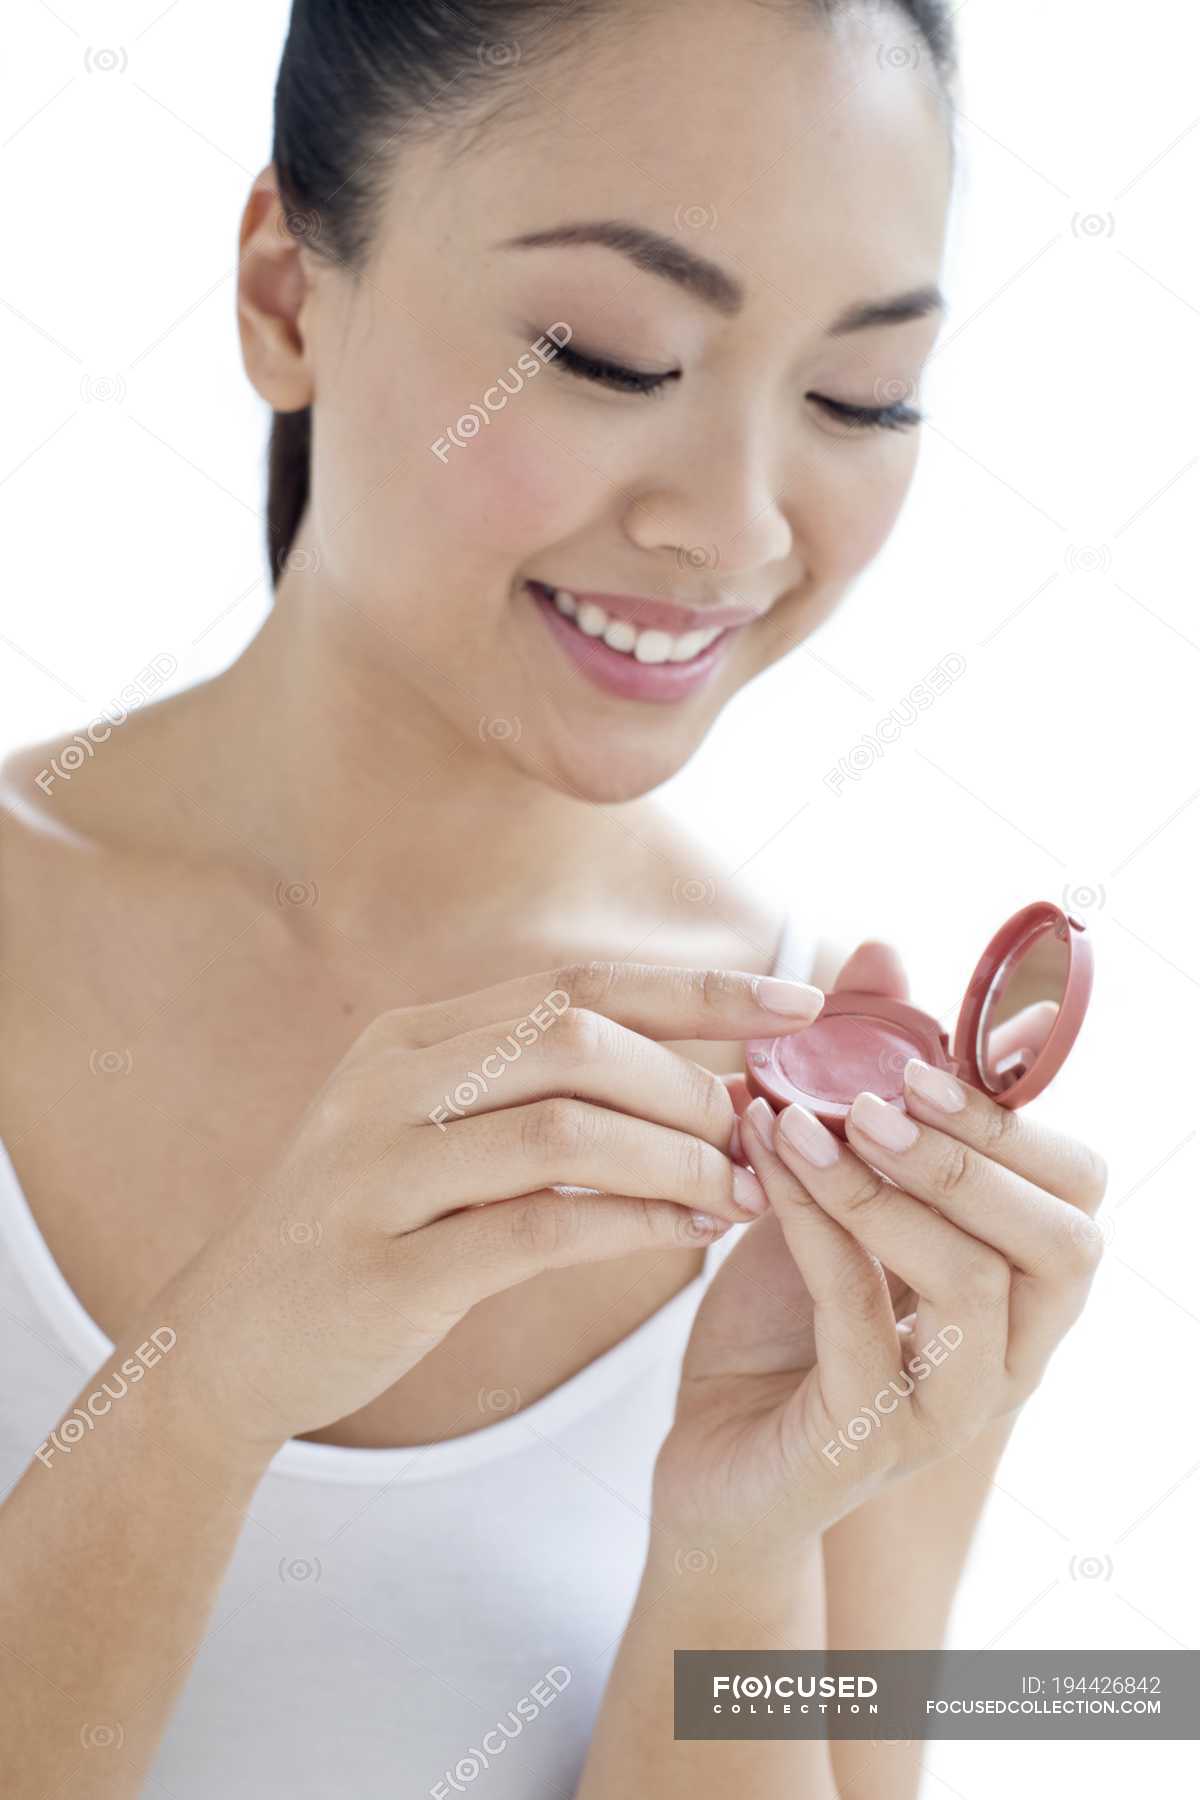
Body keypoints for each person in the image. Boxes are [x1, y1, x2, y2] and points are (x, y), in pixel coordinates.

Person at [0, 2, 1108, 1796]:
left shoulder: (867, 1193)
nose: (735, 525)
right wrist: (198, 1398)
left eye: (859, 394)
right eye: (606, 355)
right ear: (289, 295)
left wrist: (737, 1563)